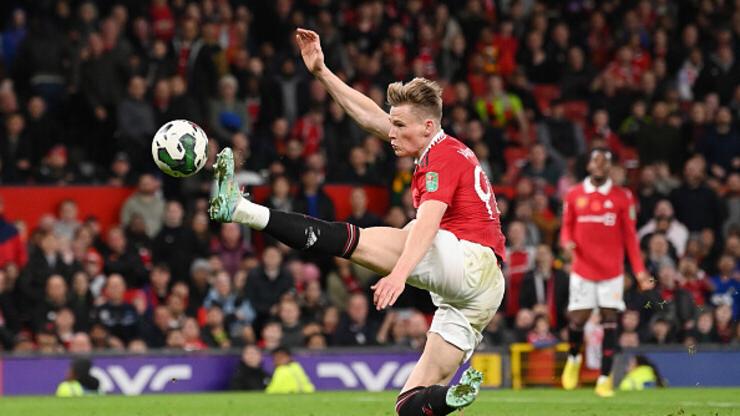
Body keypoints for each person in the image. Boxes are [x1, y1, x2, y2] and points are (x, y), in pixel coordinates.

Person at [209, 28, 506, 415]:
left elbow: (430, 221)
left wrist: (399, 274)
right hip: (480, 294)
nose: (391, 133)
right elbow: (370, 117)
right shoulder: (436, 145)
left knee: (373, 238)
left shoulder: (442, 157)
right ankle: (449, 399)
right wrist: (322, 71)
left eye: (399, 126)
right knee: (410, 405)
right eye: (393, 124)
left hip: (470, 262)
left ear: (428, 127)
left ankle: (240, 210)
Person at [560, 148, 654, 397]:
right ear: (589, 165)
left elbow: (631, 238)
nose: (600, 165)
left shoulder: (623, 196)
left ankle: (604, 378)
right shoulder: (574, 194)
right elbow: (566, 229)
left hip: (611, 271)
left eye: (605, 162)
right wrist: (567, 245)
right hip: (582, 268)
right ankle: (572, 359)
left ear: (610, 167)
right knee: (578, 319)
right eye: (596, 160)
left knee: (610, 320)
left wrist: (640, 271)